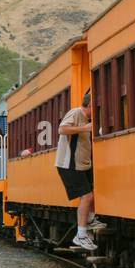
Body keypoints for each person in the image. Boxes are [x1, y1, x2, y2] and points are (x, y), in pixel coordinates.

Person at [55, 90, 104, 252]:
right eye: (96, 108)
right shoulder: (76, 113)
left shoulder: (87, 118)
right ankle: (81, 235)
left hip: (82, 164)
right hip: (69, 163)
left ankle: (89, 220)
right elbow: (62, 129)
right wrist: (85, 128)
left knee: (94, 189)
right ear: (89, 105)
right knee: (87, 195)